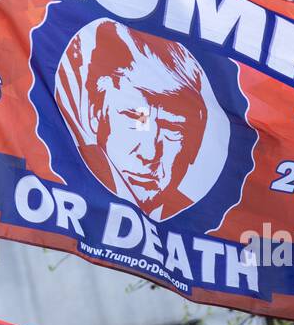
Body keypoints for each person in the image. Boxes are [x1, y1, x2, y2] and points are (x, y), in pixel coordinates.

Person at [56, 17, 222, 221]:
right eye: (134, 118)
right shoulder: (59, 185)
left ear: (194, 147)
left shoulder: (204, 221)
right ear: (95, 114)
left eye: (172, 129)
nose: (149, 153)